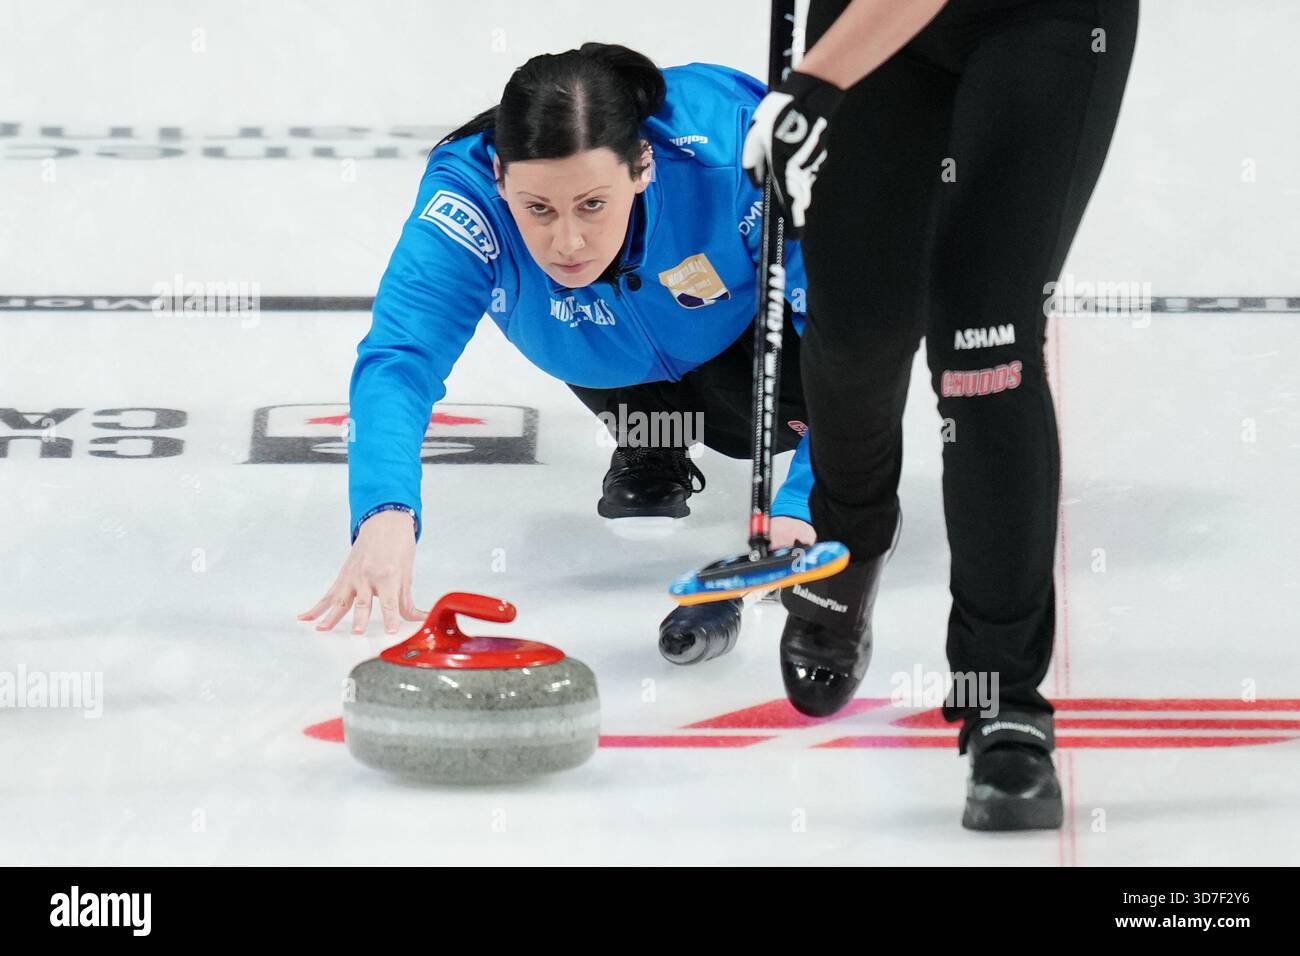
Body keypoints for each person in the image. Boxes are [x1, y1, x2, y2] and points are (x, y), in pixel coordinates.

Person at [743, 0, 1137, 829]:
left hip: (1049, 22)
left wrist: (815, 84)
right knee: (852, 331)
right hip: (872, 24)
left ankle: (1004, 704)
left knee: (982, 348)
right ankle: (845, 546)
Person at [299, 44, 818, 638]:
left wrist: (805, 501)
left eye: (592, 205)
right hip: (597, 350)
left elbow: (850, 340)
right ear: (500, 177)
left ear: (642, 166)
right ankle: (652, 438)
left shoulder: (731, 153)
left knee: (808, 415)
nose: (567, 242)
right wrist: (385, 512)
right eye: (538, 208)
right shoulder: (466, 200)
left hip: (749, 336)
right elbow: (401, 359)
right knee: (589, 323)